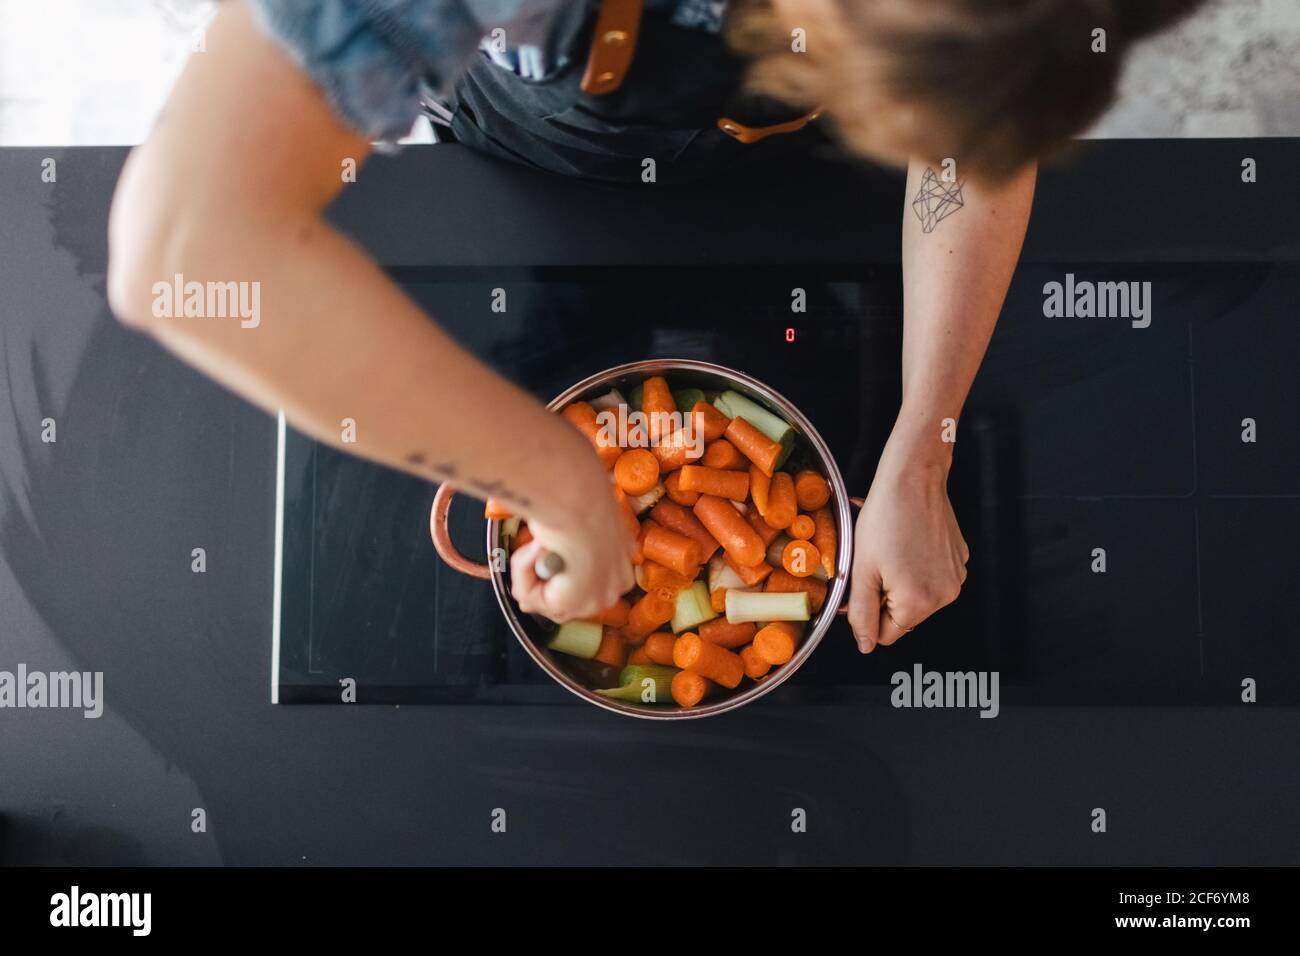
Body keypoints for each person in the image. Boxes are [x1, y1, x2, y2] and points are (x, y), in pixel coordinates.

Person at [106, 0, 1203, 652]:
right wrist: (562, 486)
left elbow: (975, 138)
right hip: (536, 134)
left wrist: (924, 444)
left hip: (770, 152)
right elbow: (188, 250)